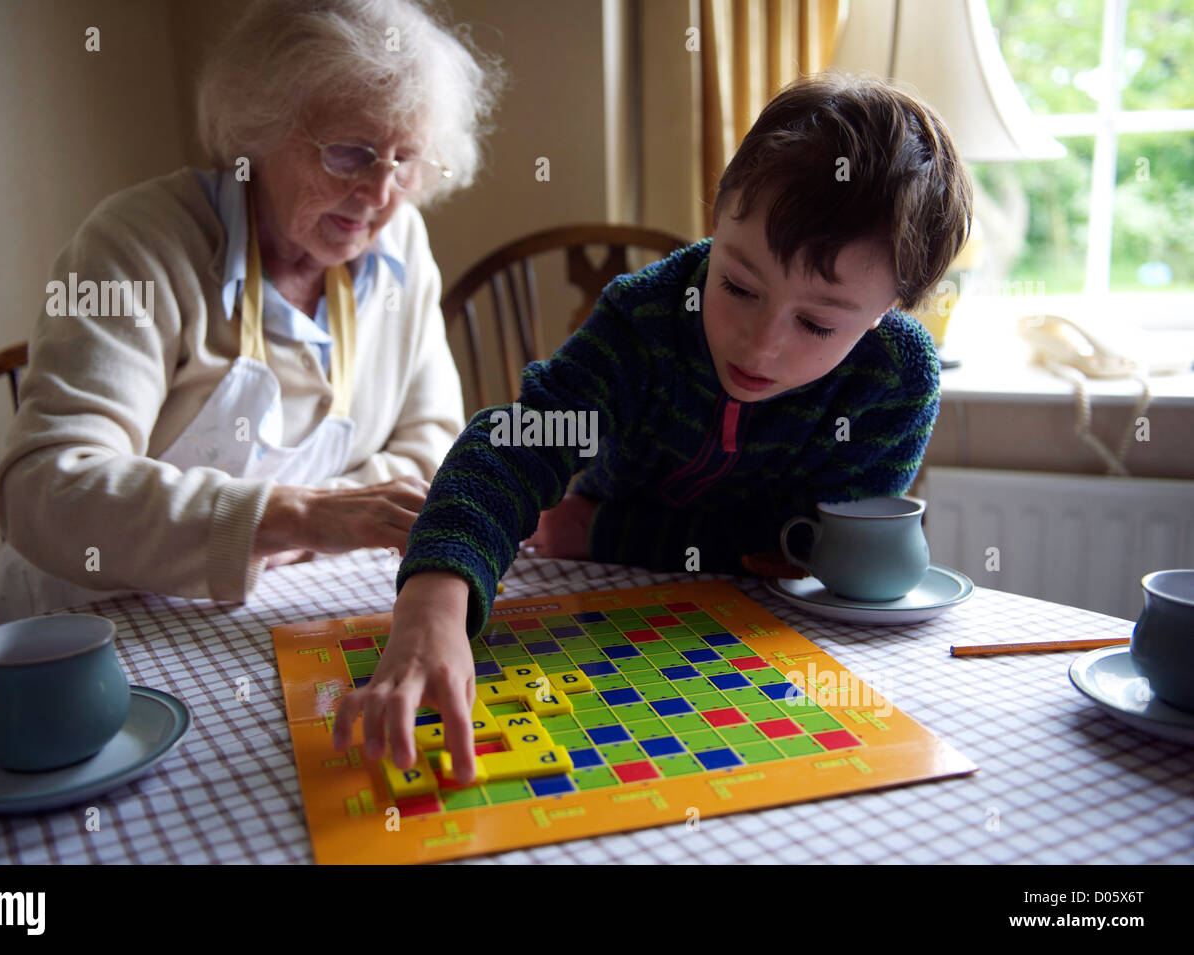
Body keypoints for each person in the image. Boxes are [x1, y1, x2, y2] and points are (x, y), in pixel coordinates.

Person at [332, 70, 973, 782]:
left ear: (893, 306)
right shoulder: (644, 323)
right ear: (718, 217)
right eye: (737, 285)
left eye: (818, 322)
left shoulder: (896, 378)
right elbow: (512, 448)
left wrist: (603, 528)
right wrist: (433, 600)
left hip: (765, 645)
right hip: (604, 603)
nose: (760, 346)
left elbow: (806, 556)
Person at [0, 0, 503, 634]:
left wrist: (304, 527)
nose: (379, 194)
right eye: (349, 153)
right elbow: (48, 494)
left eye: (405, 158)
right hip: (86, 627)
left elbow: (432, 450)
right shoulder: (138, 243)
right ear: (260, 129)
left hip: (287, 606)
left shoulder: (398, 242)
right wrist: (297, 516)